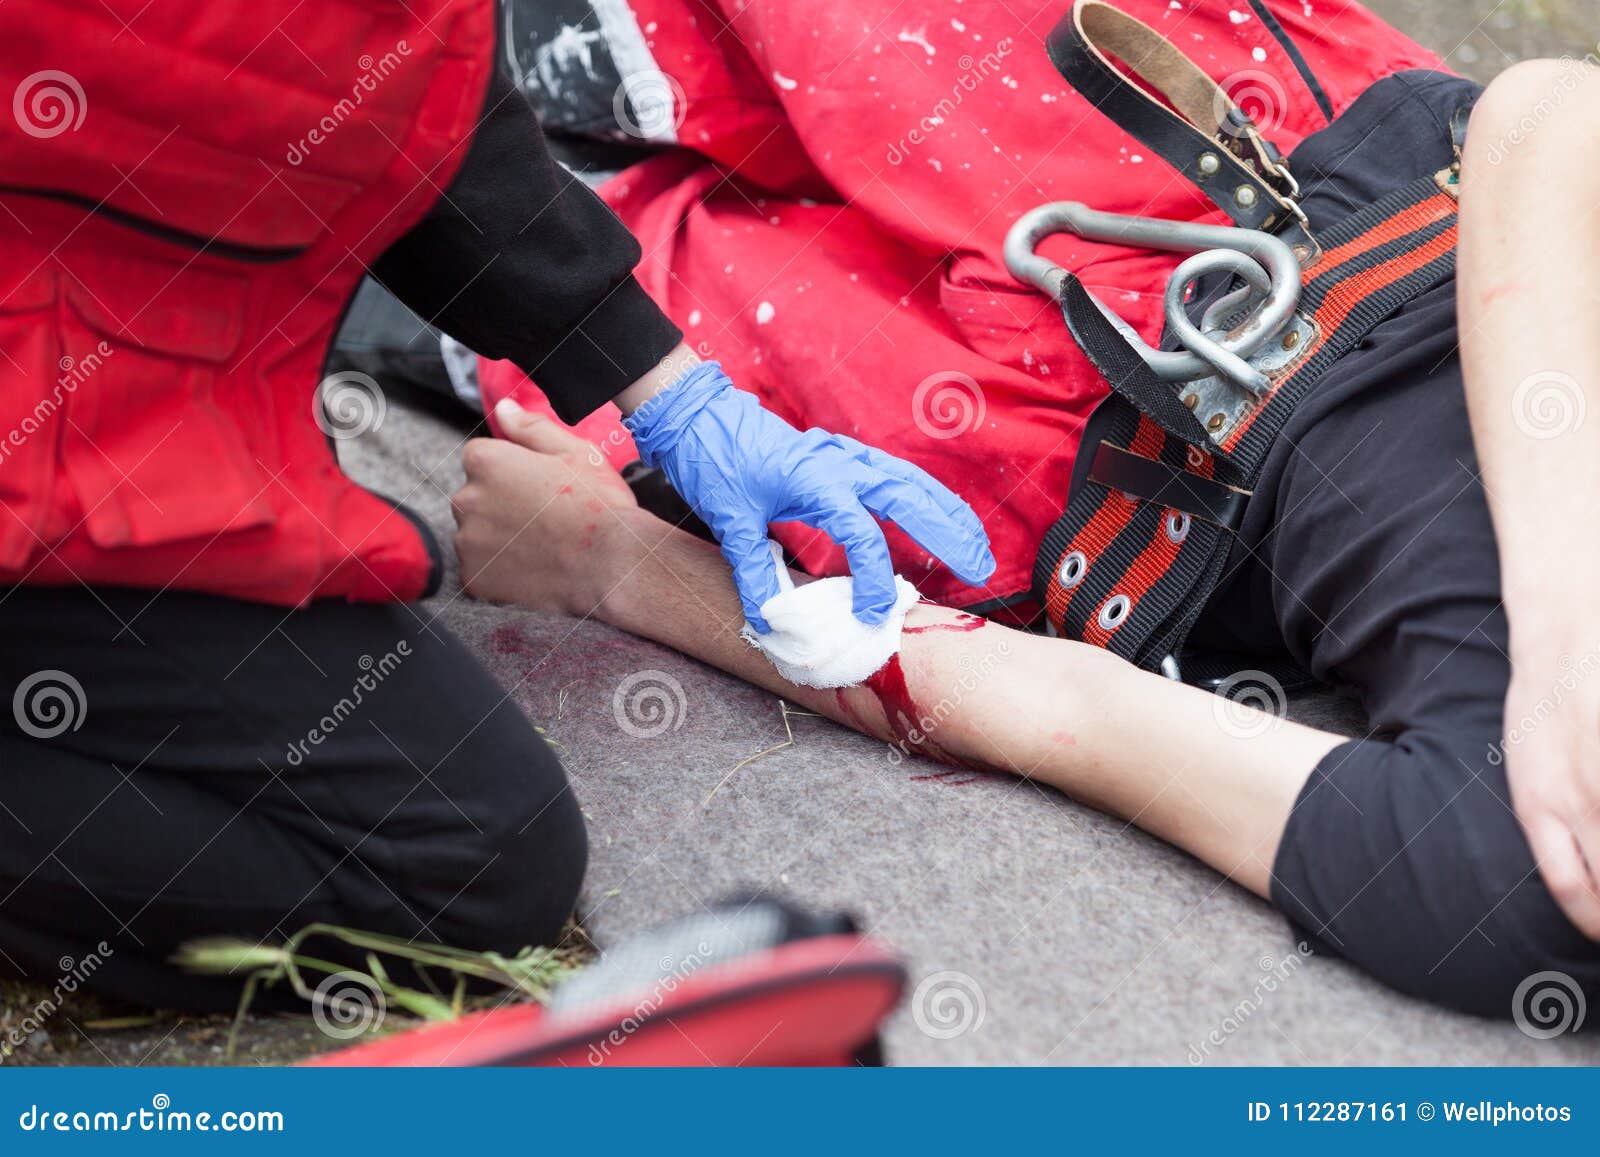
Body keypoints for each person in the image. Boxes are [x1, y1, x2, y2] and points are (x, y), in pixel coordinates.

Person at [454, 0, 1600, 1018]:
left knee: (519, 291)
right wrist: (1567, 629)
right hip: (1290, 158)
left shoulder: (1523, 889)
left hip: (1081, 460)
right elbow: (1547, 121)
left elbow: (1074, 713)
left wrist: (613, 564)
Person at [0, 0, 988, 1010]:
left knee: (474, 850)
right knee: (464, 857)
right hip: (45, 452)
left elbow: (390, 85)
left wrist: (668, 389)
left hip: (119, 397)